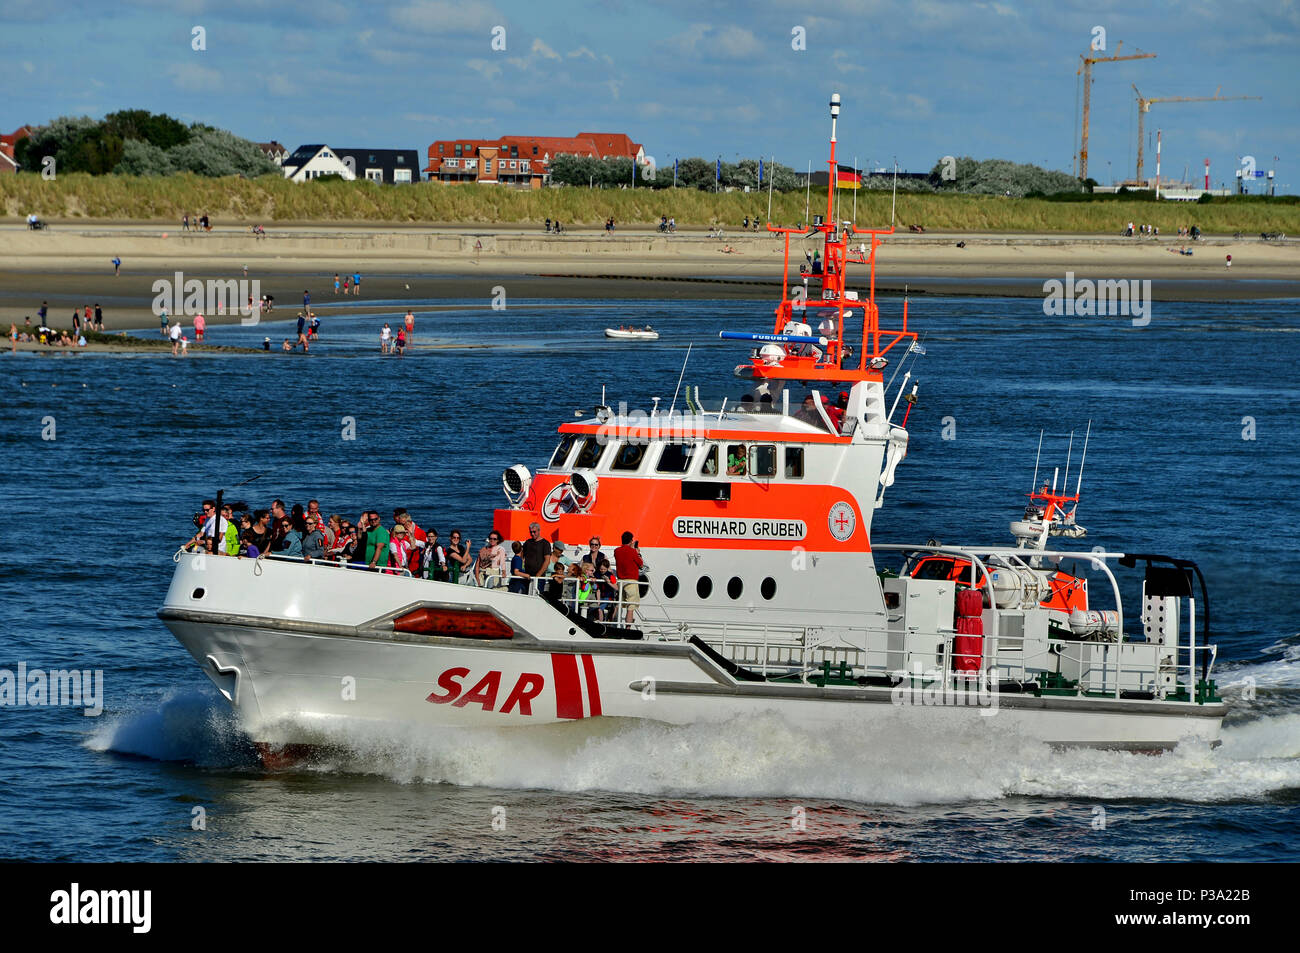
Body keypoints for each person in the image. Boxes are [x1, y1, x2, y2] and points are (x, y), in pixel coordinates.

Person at [613, 531, 644, 625]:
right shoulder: (632, 552)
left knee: (618, 605)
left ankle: (612, 623)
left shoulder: (616, 551)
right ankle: (628, 628)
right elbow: (641, 564)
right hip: (631, 581)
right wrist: (637, 553)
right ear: (631, 541)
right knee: (630, 607)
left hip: (620, 581)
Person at [520, 522, 551, 594]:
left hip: (539, 577)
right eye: (531, 532)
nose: (532, 534)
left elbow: (547, 561)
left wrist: (538, 575)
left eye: (534, 532)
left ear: (539, 531)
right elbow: (521, 554)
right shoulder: (528, 542)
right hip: (527, 576)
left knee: (538, 596)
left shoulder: (545, 543)